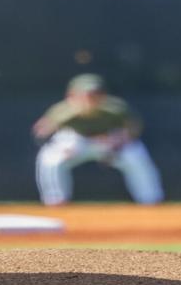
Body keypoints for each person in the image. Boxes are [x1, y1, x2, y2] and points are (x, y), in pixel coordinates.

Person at [33, 74, 164, 207]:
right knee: (50, 157)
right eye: (84, 94)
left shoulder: (115, 108)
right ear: (71, 95)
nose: (90, 98)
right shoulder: (62, 111)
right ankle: (56, 201)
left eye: (95, 93)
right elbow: (41, 132)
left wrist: (118, 142)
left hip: (107, 143)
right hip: (76, 144)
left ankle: (150, 200)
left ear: (103, 94)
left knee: (135, 154)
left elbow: (133, 129)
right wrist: (59, 146)